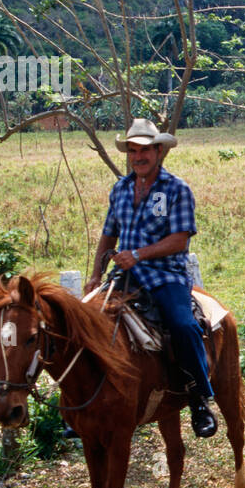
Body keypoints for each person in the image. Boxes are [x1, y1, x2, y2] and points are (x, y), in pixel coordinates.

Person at [85, 118, 217, 438]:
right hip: (123, 275)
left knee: (183, 325)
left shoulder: (177, 189)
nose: (138, 157)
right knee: (86, 326)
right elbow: (107, 236)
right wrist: (94, 277)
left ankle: (199, 398)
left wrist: (139, 255)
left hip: (164, 275)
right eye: (132, 151)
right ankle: (83, 405)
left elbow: (180, 240)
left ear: (159, 151)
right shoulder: (120, 189)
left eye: (144, 150)